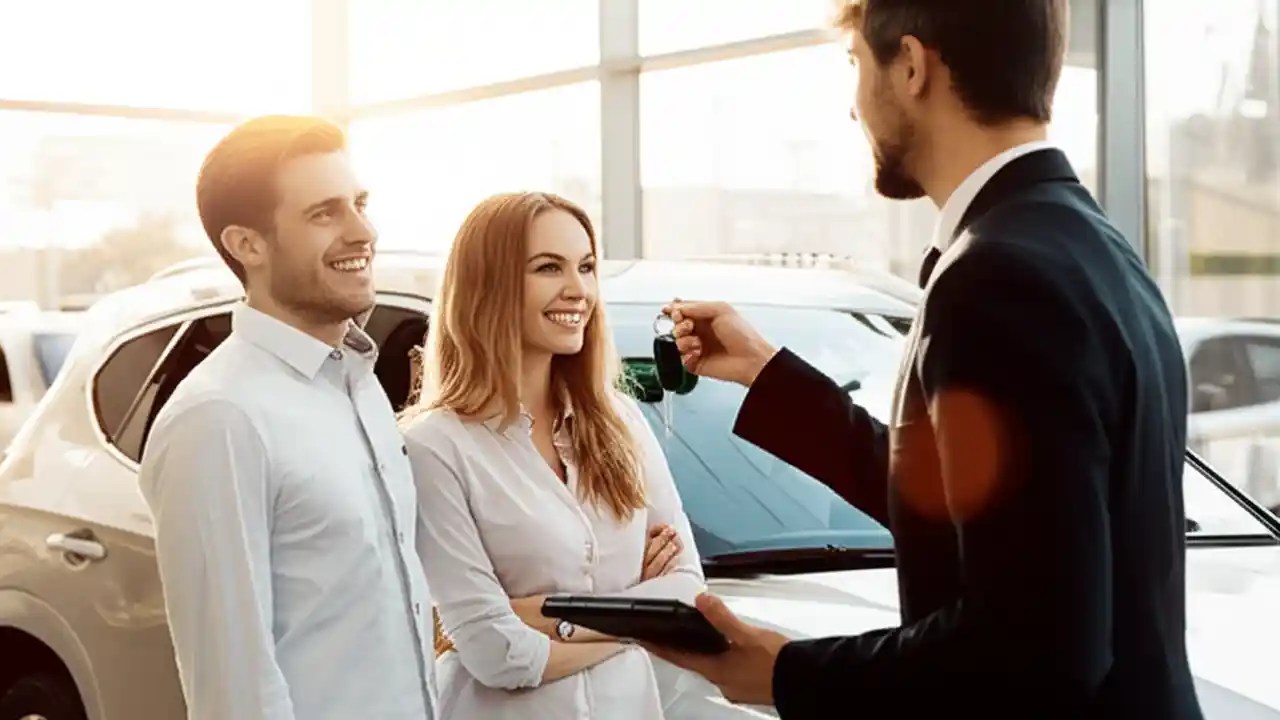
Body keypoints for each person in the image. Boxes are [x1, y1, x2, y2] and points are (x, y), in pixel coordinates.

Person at [645, 1, 1202, 718]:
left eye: (855, 66)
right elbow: (982, 514)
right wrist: (769, 374)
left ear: (911, 65)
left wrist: (788, 672)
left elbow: (1032, 649)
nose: (853, 110)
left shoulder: (998, 278)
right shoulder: (1095, 252)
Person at [138, 115, 435, 719]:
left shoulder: (357, 384)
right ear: (247, 244)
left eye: (360, 203)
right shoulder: (220, 418)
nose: (364, 231)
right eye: (325, 213)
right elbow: (232, 690)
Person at [400, 191, 705, 720]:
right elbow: (497, 654)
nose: (578, 290)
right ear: (487, 287)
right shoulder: (433, 446)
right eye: (548, 268)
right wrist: (638, 621)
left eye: (586, 267)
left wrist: (539, 618)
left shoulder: (622, 422)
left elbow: (688, 594)